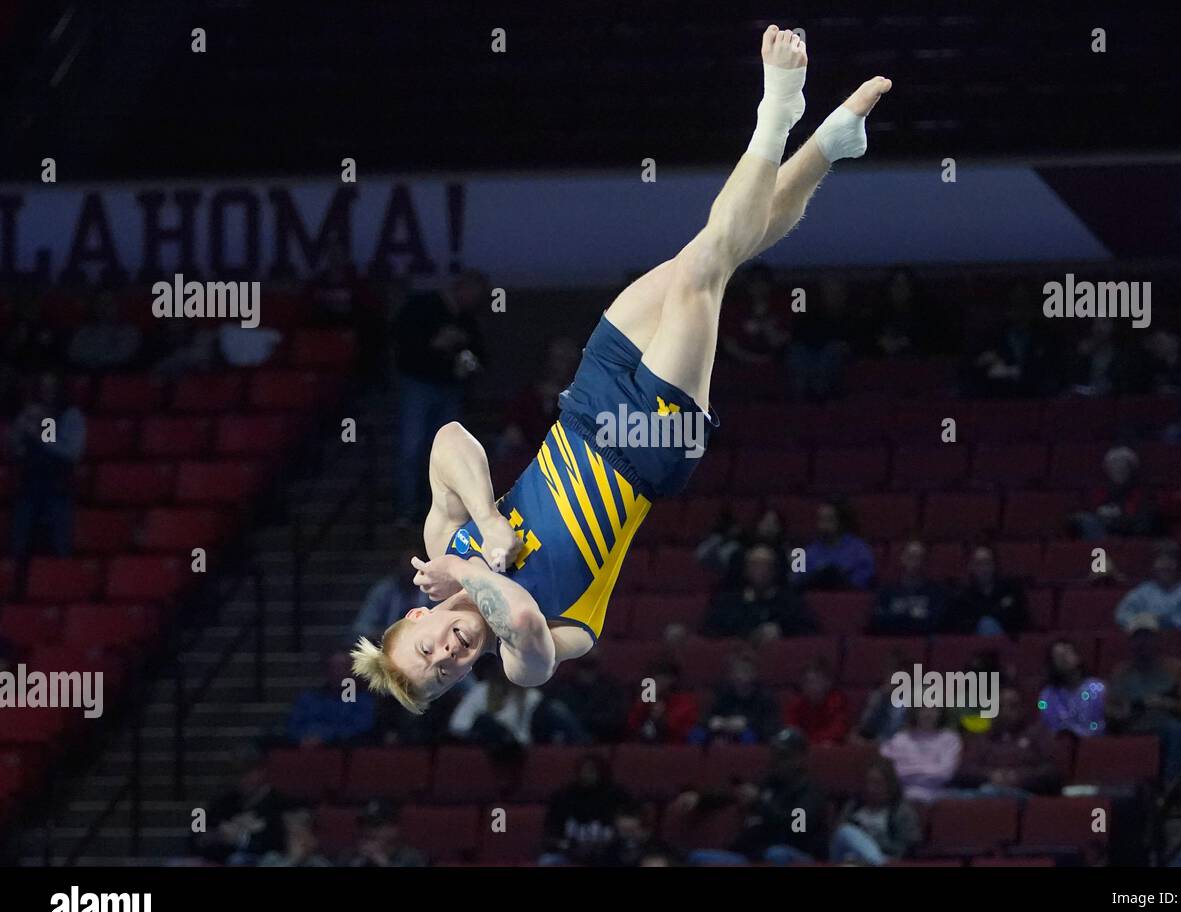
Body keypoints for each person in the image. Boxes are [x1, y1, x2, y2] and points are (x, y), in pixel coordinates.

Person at [352, 29, 892, 713]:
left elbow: (450, 438)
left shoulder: (441, 539)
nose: (449, 655)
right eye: (446, 673)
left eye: (428, 650)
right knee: (704, 269)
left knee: (712, 251)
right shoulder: (532, 658)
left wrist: (483, 518)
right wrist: (466, 566)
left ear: (417, 618)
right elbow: (515, 616)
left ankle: (827, 150)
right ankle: (778, 111)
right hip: (647, 453)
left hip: (585, 408)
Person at [392, 270, 489, 524]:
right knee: (412, 448)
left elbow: (479, 358)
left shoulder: (468, 319)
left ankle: (440, 512)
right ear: (461, 287)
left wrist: (465, 360)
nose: (474, 301)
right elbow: (403, 343)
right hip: (419, 386)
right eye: (472, 294)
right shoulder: (422, 306)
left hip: (450, 389)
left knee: (446, 454)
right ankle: (406, 509)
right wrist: (435, 344)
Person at [686, 728, 830, 865]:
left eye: (783, 756)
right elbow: (731, 795)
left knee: (777, 854)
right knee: (698, 858)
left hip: (797, 857)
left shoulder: (809, 792)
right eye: (775, 754)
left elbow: (797, 828)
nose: (776, 761)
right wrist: (700, 799)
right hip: (754, 856)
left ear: (800, 758)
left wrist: (759, 804)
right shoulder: (770, 783)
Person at [1105, 614, 1181, 789]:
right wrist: (1121, 713)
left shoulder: (1176, 667)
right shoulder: (1121, 672)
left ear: (1157, 639)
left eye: (1147, 637)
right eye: (1137, 638)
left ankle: (1170, 792)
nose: (1142, 643)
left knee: (1178, 732)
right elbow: (1110, 708)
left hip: (1164, 723)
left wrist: (1165, 703)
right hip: (1132, 724)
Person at [7, 373, 85, 567]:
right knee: (19, 545)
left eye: (51, 387)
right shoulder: (36, 412)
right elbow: (18, 449)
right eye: (43, 387)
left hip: (57, 488)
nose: (47, 391)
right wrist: (20, 427)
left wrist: (38, 432)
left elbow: (65, 450)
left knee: (59, 546)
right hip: (29, 487)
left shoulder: (67, 414)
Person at [952, 686, 1061, 797]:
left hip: (1026, 795)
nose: (1005, 712)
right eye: (1000, 707)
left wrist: (1018, 777)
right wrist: (990, 775)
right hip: (985, 794)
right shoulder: (983, 736)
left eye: (1012, 706)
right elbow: (964, 770)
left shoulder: (1037, 733)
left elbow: (1052, 772)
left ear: (1022, 708)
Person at [190, 745, 288, 865]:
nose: (241, 779)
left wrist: (241, 839)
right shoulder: (222, 802)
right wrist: (210, 837)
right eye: (236, 773)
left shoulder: (281, 804)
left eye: (247, 772)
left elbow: (279, 843)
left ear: (262, 771)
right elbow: (197, 831)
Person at [703, 543, 819, 641]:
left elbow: (811, 632)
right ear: (745, 569)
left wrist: (783, 631)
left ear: (774, 570)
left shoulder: (791, 602)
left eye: (765, 565)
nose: (760, 571)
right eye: (754, 565)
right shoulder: (727, 602)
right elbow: (708, 631)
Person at [539, 754, 632, 866]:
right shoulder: (563, 797)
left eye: (591, 771)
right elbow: (550, 836)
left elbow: (630, 834)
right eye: (582, 771)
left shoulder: (619, 797)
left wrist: (605, 847)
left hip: (610, 853)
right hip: (569, 853)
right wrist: (568, 846)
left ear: (602, 772)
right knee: (548, 860)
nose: (586, 775)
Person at [829, 755, 922, 865]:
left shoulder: (900, 811)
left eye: (877, 784)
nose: (871, 788)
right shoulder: (854, 806)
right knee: (845, 831)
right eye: (868, 783)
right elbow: (838, 840)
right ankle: (877, 862)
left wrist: (875, 844)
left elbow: (908, 846)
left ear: (889, 785)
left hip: (886, 857)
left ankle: (876, 861)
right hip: (849, 858)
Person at [284, 651, 377, 747]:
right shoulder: (307, 699)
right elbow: (292, 728)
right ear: (325, 671)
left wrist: (324, 738)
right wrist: (307, 738)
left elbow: (361, 730)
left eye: (343, 668)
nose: (338, 672)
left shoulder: (364, 701)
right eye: (333, 667)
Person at [693, 650, 782, 745]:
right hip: (722, 733)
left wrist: (747, 724)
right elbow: (706, 717)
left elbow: (771, 727)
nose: (739, 676)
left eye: (745, 671)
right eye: (735, 671)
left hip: (753, 735)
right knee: (697, 735)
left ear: (754, 673)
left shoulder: (765, 696)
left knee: (748, 737)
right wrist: (714, 722)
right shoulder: (722, 692)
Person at [1114, 542, 1181, 633]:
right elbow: (1121, 615)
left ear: (1179, 564)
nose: (1165, 566)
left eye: (1170, 560)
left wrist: (1166, 621)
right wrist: (1142, 620)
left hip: (1179, 640)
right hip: (1147, 638)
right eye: (1161, 561)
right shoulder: (1143, 591)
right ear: (1153, 565)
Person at [879, 705, 962, 803]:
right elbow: (893, 773)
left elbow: (944, 774)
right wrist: (930, 769)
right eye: (923, 709)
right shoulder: (900, 738)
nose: (928, 714)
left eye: (934, 709)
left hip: (939, 797)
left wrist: (911, 770)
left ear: (941, 712)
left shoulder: (950, 739)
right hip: (902, 795)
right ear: (915, 711)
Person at [1071, 446, 1157, 540]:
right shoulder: (1100, 491)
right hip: (1102, 531)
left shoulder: (1140, 492)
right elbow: (1092, 509)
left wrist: (1120, 515)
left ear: (1130, 469)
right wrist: (1101, 513)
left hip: (1130, 532)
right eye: (1114, 465)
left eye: (1123, 464)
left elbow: (1141, 515)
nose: (1118, 468)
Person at [944, 545, 1028, 636]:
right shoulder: (963, 598)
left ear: (994, 565)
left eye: (987, 563)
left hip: (1009, 644)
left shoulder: (1011, 591)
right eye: (979, 564)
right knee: (986, 624)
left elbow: (1023, 623)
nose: (984, 569)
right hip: (977, 646)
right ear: (971, 567)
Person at [872, 539, 949, 635]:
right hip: (893, 639)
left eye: (919, 557)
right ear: (902, 558)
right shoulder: (886, 591)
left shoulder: (936, 592)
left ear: (925, 561)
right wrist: (912, 618)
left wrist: (900, 618)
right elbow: (879, 620)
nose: (914, 562)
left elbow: (934, 622)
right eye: (910, 557)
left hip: (922, 640)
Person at [351, 553, 431, 644]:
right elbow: (362, 627)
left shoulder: (432, 590)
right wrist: (384, 635)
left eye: (414, 567)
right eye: (406, 566)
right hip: (386, 643)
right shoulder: (385, 589)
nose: (410, 571)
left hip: (424, 642)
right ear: (398, 568)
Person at [1037, 639, 1106, 737]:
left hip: (1094, 745)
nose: (1064, 658)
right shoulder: (1048, 696)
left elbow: (1101, 726)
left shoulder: (1098, 689)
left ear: (1078, 656)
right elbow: (1050, 728)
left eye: (1067, 652)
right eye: (1059, 656)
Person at [801, 499, 875, 590]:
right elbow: (797, 580)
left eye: (829, 520)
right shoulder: (806, 551)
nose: (823, 526)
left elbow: (865, 579)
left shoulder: (860, 549)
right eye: (820, 520)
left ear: (841, 522)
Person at [625, 656, 700, 744]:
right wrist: (645, 702)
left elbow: (680, 730)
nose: (659, 681)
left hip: (673, 747)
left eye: (664, 677)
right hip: (643, 747)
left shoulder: (685, 701)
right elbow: (632, 724)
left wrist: (661, 718)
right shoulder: (645, 697)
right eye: (655, 678)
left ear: (673, 679)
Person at [782, 658, 850, 744]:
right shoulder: (796, 704)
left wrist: (813, 741)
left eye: (816, 681)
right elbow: (791, 730)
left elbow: (838, 730)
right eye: (807, 682)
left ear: (827, 683)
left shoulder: (837, 701)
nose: (811, 686)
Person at [341, 799, 426, 867]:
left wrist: (384, 863)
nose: (369, 830)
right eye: (365, 824)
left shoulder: (411, 858)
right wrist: (358, 862)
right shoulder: (349, 855)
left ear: (394, 829)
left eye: (376, 825)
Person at [257, 805, 333, 867]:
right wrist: (292, 859)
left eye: (304, 824)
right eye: (291, 834)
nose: (294, 839)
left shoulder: (319, 863)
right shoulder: (271, 858)